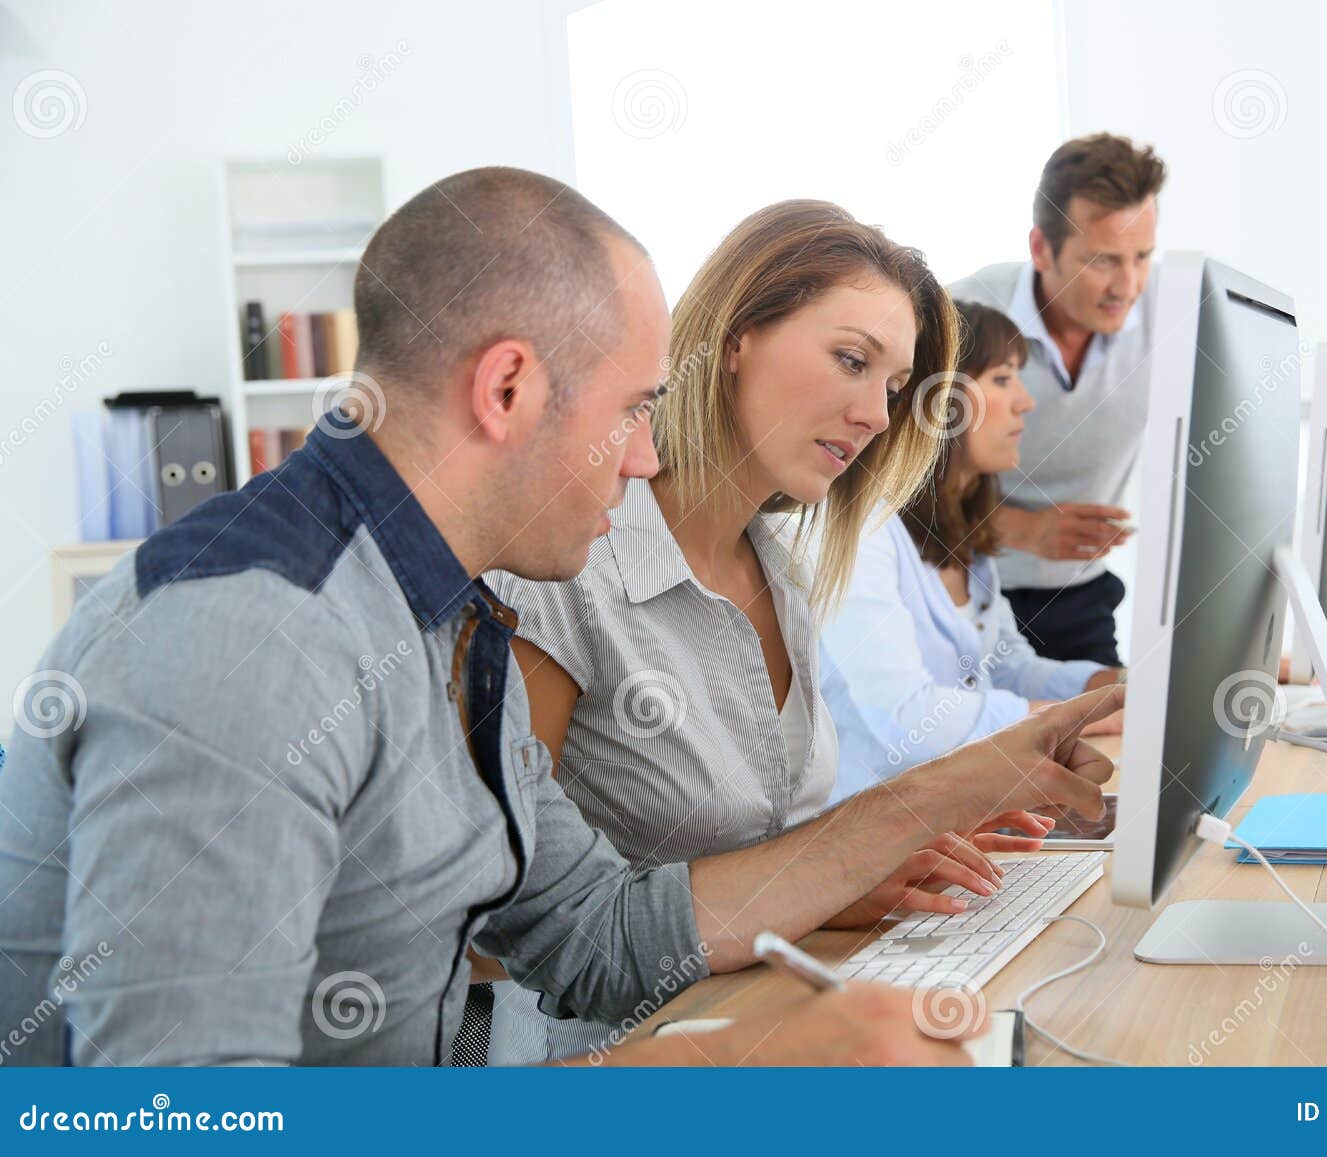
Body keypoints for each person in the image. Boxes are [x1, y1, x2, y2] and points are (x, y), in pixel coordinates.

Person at [0, 167, 1121, 1067]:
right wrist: (719, 1072)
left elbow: (596, 930)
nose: (646, 455)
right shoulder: (253, 642)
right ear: (506, 391)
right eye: (633, 409)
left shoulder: (451, 612)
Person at [483, 202, 1067, 1062]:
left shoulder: (783, 567)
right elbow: (515, 928)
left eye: (894, 387)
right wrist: (929, 799)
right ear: (734, 338)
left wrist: (833, 887)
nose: (876, 413)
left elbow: (749, 856)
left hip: (760, 1007)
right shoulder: (564, 574)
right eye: (850, 359)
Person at [822, 301, 1125, 801]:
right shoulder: (864, 532)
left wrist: (1113, 686)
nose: (1025, 402)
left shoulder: (966, 538)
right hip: (873, 824)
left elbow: (1009, 669)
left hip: (954, 813)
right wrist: (1063, 721)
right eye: (1003, 379)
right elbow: (907, 717)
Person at [946, 132, 1165, 667]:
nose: (1128, 285)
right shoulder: (963, 316)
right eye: (1103, 261)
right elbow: (896, 487)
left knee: (1109, 736)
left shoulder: (1174, 315)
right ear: (1041, 249)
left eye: (1142, 256)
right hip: (963, 595)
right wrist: (1028, 530)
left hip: (1079, 601)